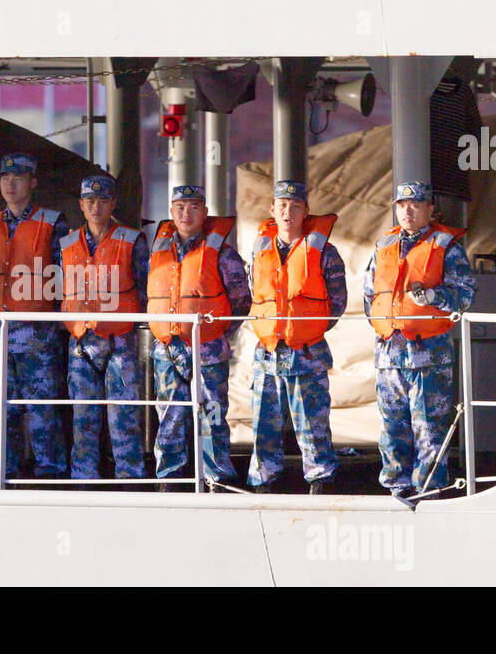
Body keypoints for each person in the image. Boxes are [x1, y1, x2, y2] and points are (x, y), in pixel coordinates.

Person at [363, 180, 476, 498]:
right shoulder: (383, 245)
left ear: (430, 209)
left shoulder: (446, 247)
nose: (407, 210)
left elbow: (465, 295)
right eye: (401, 205)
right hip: (389, 354)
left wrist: (432, 296)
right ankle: (396, 488)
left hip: (429, 354)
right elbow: (369, 293)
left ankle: (428, 489)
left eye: (415, 205)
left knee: (428, 426)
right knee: (392, 425)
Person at [147, 185, 251, 491]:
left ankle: (216, 475)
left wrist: (215, 332)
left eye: (193, 207)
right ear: (171, 212)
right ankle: (170, 476)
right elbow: (147, 292)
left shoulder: (222, 252)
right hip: (167, 350)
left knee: (213, 413)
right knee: (168, 414)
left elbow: (241, 300)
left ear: (204, 213)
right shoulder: (157, 251)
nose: (185, 214)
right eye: (179, 207)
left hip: (208, 349)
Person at [246, 180, 347, 495]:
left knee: (312, 426)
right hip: (267, 353)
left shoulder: (325, 253)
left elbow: (337, 302)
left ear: (306, 211)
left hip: (306, 354)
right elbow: (252, 292)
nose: (288, 212)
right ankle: (264, 480)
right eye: (282, 206)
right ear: (272, 210)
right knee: (264, 426)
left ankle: (320, 480)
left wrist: (307, 330)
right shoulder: (260, 248)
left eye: (296, 206)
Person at [0, 152, 70, 480]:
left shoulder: (52, 223)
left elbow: (65, 277)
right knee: (0, 408)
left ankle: (50, 475)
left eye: (18, 178)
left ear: (33, 182)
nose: (10, 184)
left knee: (42, 408)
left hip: (38, 334)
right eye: (4, 178)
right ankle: (2, 474)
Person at [59, 175, 149, 483]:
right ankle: (84, 479)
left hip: (120, 341)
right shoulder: (66, 244)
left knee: (123, 416)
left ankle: (130, 479)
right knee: (83, 418)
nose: (96, 206)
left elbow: (145, 287)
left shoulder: (132, 240)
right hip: (82, 344)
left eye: (102, 200)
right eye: (90, 201)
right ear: (81, 205)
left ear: (113, 204)